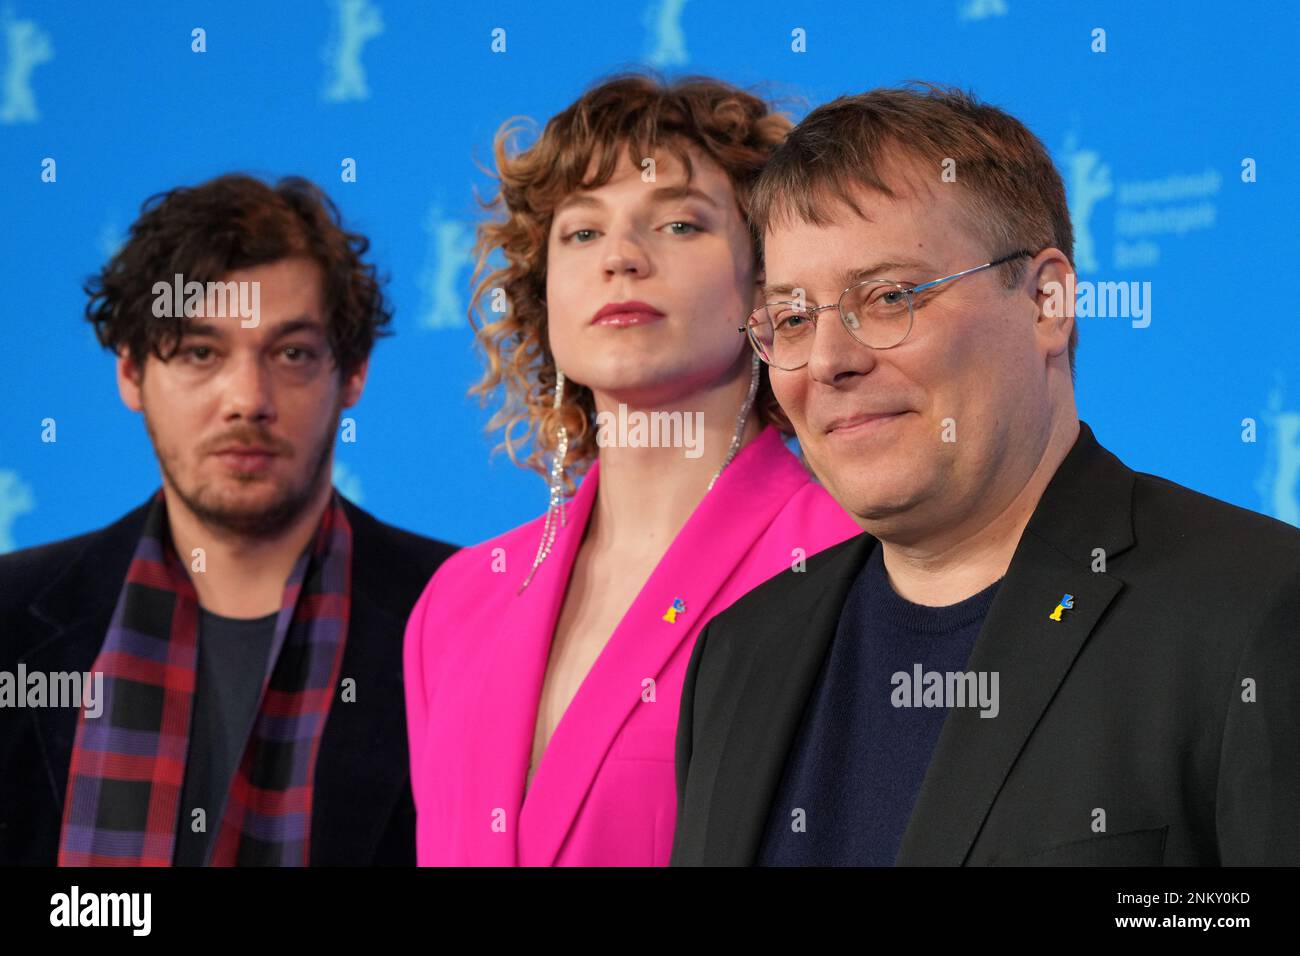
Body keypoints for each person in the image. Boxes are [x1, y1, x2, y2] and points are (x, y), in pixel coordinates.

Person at [670, 84, 1300, 866]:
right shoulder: (736, 658)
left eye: (888, 296)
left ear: (1047, 300)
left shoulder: (1260, 609)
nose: (829, 362)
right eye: (794, 318)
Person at [403, 73, 860, 866]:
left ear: (766, 287)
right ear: (540, 293)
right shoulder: (456, 605)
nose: (621, 256)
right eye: (581, 233)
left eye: (680, 223)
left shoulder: (850, 560)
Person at [0, 174, 456, 866]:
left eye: (292, 353)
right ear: (130, 373)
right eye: (200, 353)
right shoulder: (9, 617)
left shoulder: (462, 617)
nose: (248, 398)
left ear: (354, 372)